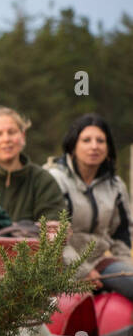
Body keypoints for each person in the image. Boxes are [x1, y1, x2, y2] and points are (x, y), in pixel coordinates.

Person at [45, 113, 133, 299]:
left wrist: (126, 269)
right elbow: (53, 238)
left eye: (100, 141)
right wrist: (83, 271)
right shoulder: (54, 179)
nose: (94, 146)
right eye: (86, 140)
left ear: (108, 147)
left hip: (101, 261)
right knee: (80, 304)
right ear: (73, 146)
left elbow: (123, 234)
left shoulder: (115, 186)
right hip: (61, 263)